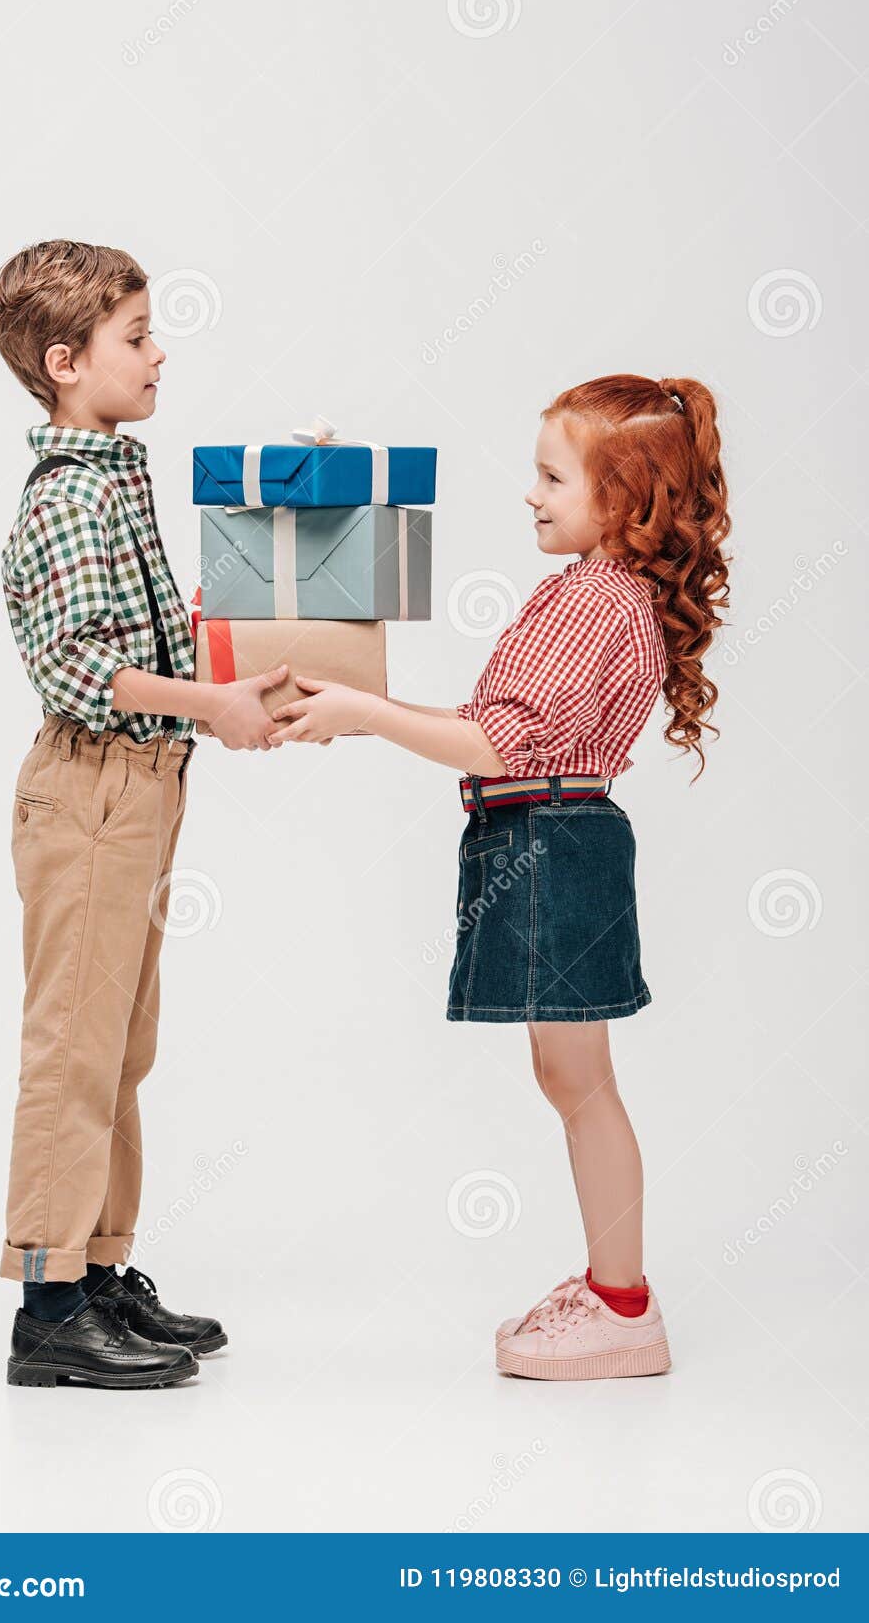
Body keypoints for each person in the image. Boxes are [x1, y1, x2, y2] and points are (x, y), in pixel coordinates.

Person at [270, 374, 731, 1381]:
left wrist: (366, 712)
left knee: (581, 1083)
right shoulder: (596, 593)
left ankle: (623, 1308)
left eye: (552, 476)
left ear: (625, 501)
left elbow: (498, 742)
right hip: (551, 834)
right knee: (573, 1077)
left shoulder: (592, 598)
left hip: (551, 837)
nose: (531, 494)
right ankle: (616, 1290)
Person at [0, 239, 286, 1389]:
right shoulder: (69, 494)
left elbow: (141, 637)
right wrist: (210, 702)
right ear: (67, 363)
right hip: (93, 791)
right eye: (135, 337)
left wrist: (240, 647)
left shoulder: (120, 469)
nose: (159, 353)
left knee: (120, 1043)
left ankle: (101, 1265)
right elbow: (75, 665)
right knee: (72, 1044)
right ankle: (47, 1304)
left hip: (143, 787)